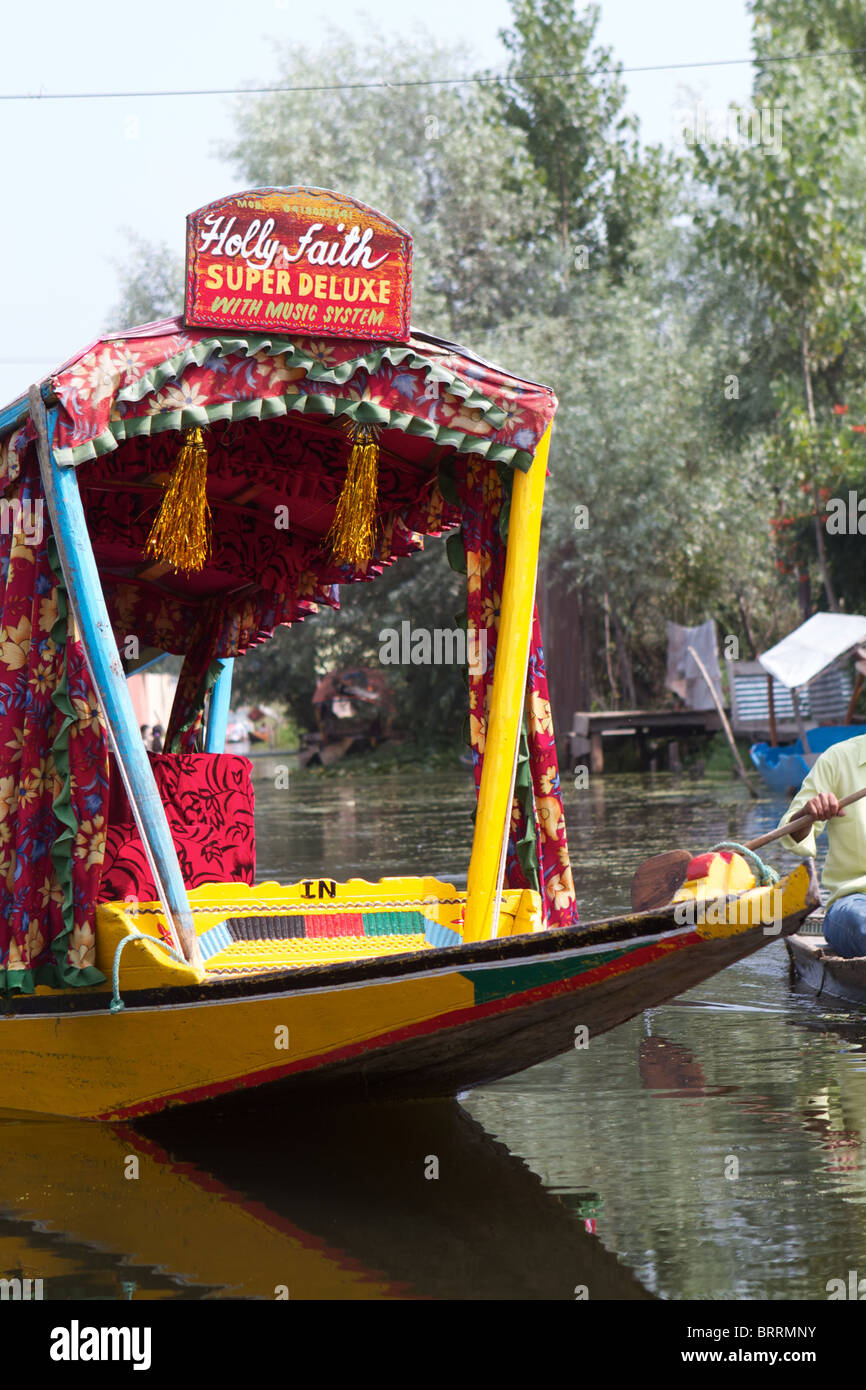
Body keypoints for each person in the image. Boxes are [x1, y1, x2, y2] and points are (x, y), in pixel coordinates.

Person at [780, 733, 866, 957]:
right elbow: (791, 836)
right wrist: (809, 812)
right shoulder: (839, 758)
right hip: (856, 903)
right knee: (857, 922)